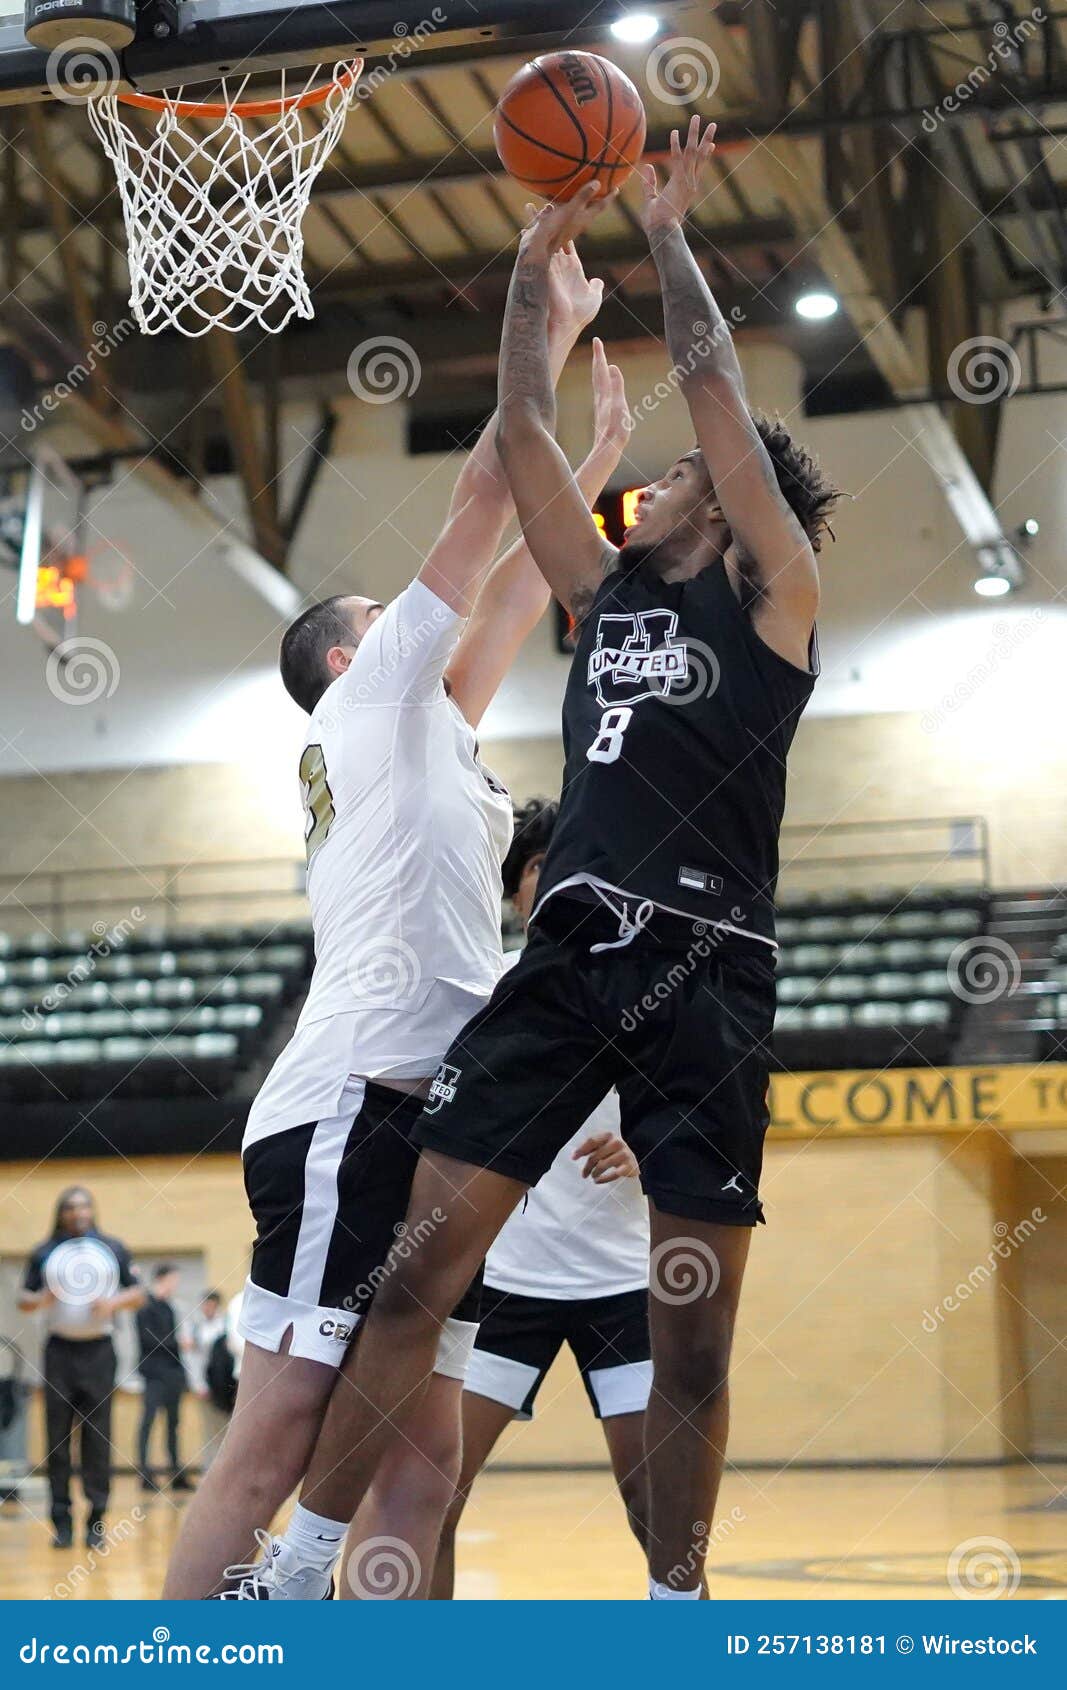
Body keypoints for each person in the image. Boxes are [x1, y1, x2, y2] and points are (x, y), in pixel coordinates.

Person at [289, 120, 839, 1601]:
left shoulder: (773, 596)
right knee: (413, 1268)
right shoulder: (599, 599)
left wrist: (667, 231)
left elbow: (717, 389)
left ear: (722, 504)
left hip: (708, 972)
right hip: (570, 957)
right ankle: (297, 1565)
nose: (642, 487)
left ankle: (675, 1596)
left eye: (667, 477)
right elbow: (524, 439)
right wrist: (533, 267)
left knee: (695, 1340)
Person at [163, 247, 630, 1600]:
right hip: (347, 1109)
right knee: (272, 1446)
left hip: (422, 1117)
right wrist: (538, 325)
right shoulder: (366, 707)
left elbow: (523, 583)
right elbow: (486, 492)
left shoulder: (427, 731)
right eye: (384, 613)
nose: (415, 615)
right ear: (345, 659)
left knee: (420, 1469)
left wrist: (592, 447)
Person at [433, 800, 651, 1600]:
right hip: (502, 1286)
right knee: (433, 1495)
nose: (556, 876)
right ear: (518, 889)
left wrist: (648, 1144)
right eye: (537, 866)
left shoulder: (652, 985)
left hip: (624, 1283)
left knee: (658, 1504)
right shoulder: (481, 987)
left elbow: (706, 1116)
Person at [17, 1186, 144, 1550]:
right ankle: (61, 1522)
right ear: (61, 1213)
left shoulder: (112, 1248)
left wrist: (114, 1302)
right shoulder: (44, 1251)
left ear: (93, 1210)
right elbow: (22, 1299)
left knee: (97, 1439)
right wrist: (42, 1298)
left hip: (99, 1353)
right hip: (58, 1354)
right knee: (56, 1440)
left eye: (85, 1205)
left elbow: (138, 1293)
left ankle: (96, 1521)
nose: (79, 1212)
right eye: (71, 1207)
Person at [136, 1264, 192, 1494]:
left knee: (173, 1424)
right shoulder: (144, 1307)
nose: (175, 1285)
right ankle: (145, 1474)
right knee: (148, 1422)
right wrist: (178, 1343)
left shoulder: (169, 1308)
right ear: (161, 1279)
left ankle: (176, 1474)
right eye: (173, 1280)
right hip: (153, 1374)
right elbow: (149, 1341)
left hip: (172, 1373)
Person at [184, 1291, 228, 1472]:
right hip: (206, 1387)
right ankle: (210, 1472)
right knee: (209, 1433)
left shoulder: (226, 1325)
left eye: (210, 1305)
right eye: (204, 1305)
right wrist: (198, 1385)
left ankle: (227, 1472)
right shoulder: (196, 1328)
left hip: (225, 1388)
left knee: (228, 1431)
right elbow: (192, 1360)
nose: (207, 1308)